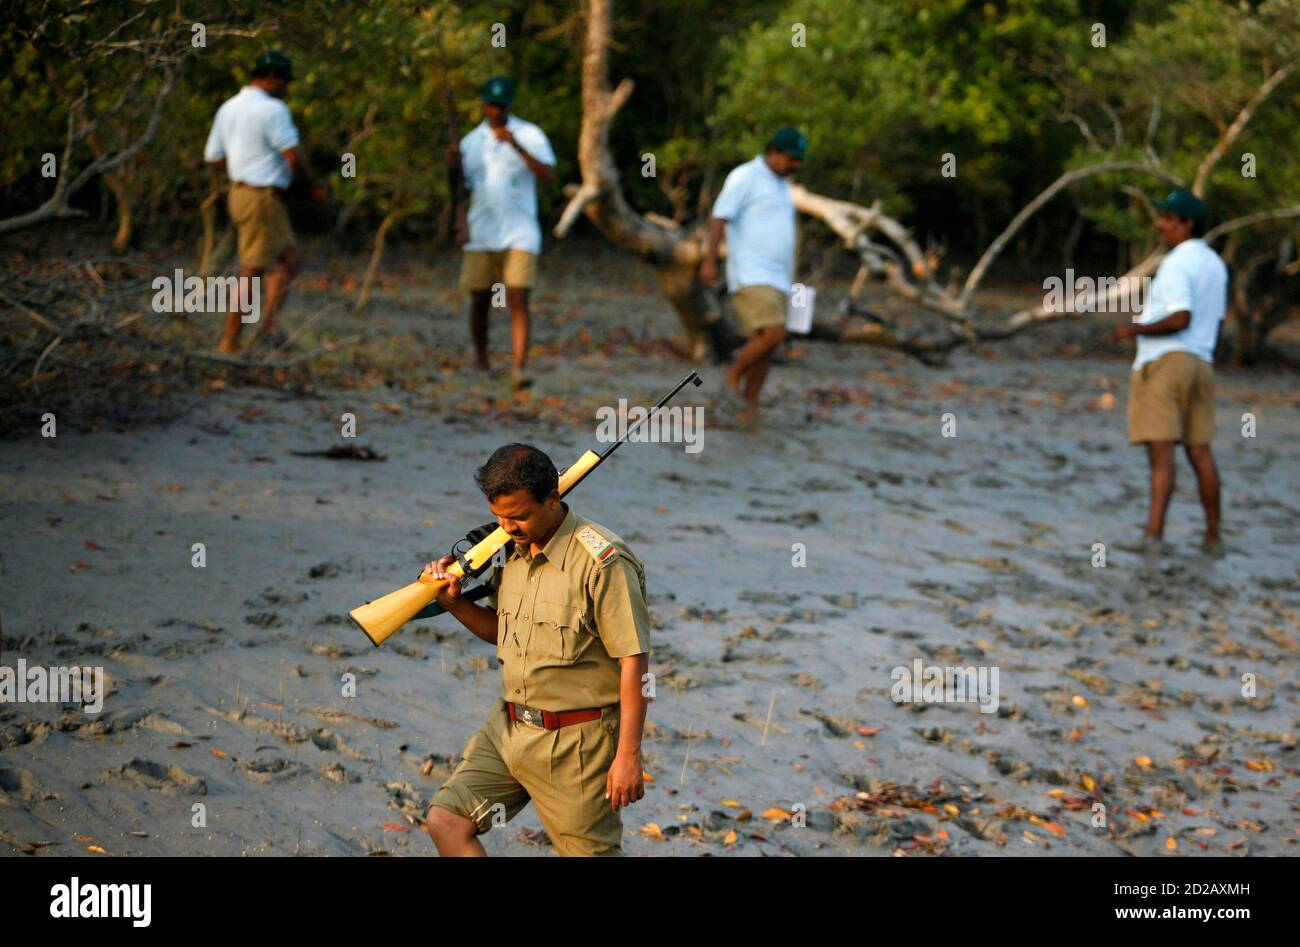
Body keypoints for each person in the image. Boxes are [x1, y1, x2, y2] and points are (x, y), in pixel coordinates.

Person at [422, 443, 650, 856]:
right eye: (499, 516)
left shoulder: (602, 562)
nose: (507, 527)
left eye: (519, 516)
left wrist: (628, 756)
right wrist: (454, 603)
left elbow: (634, 661)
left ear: (553, 498)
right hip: (507, 728)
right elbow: (502, 632)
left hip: (575, 745)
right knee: (447, 821)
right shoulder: (508, 551)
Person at [1113, 188, 1227, 551]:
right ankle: (1212, 538)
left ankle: (1153, 537)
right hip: (1201, 363)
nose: (1160, 225)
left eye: (1167, 219)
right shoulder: (1215, 264)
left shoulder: (1178, 262)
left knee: (1161, 455)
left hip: (1168, 361)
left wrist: (1132, 329)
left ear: (1186, 224)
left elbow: (1180, 317)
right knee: (1200, 452)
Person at [204, 51, 324, 354]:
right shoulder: (273, 109)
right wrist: (310, 187)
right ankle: (232, 340)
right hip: (262, 197)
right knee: (254, 269)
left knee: (288, 260)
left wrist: (242, 168)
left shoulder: (229, 107)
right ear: (271, 77)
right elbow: (293, 156)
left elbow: (214, 158)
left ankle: (267, 330)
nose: (287, 88)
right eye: (284, 81)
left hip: (239, 193)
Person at [446, 78, 556, 390]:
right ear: (484, 105)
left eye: (500, 105)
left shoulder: (530, 134)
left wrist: (516, 145)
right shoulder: (470, 142)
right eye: (490, 105)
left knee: (518, 296)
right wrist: (451, 169)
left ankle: (519, 367)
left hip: (521, 232)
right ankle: (482, 362)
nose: (495, 111)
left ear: (509, 106)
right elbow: (459, 190)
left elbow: (549, 174)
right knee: (479, 298)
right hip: (481, 231)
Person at [700, 127, 806, 423]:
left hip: (780, 277)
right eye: (790, 158)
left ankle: (750, 408)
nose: (794, 165)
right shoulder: (745, 175)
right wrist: (710, 261)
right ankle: (732, 374)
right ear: (773, 151)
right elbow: (720, 215)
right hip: (751, 272)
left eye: (798, 160)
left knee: (768, 344)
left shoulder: (783, 184)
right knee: (774, 333)